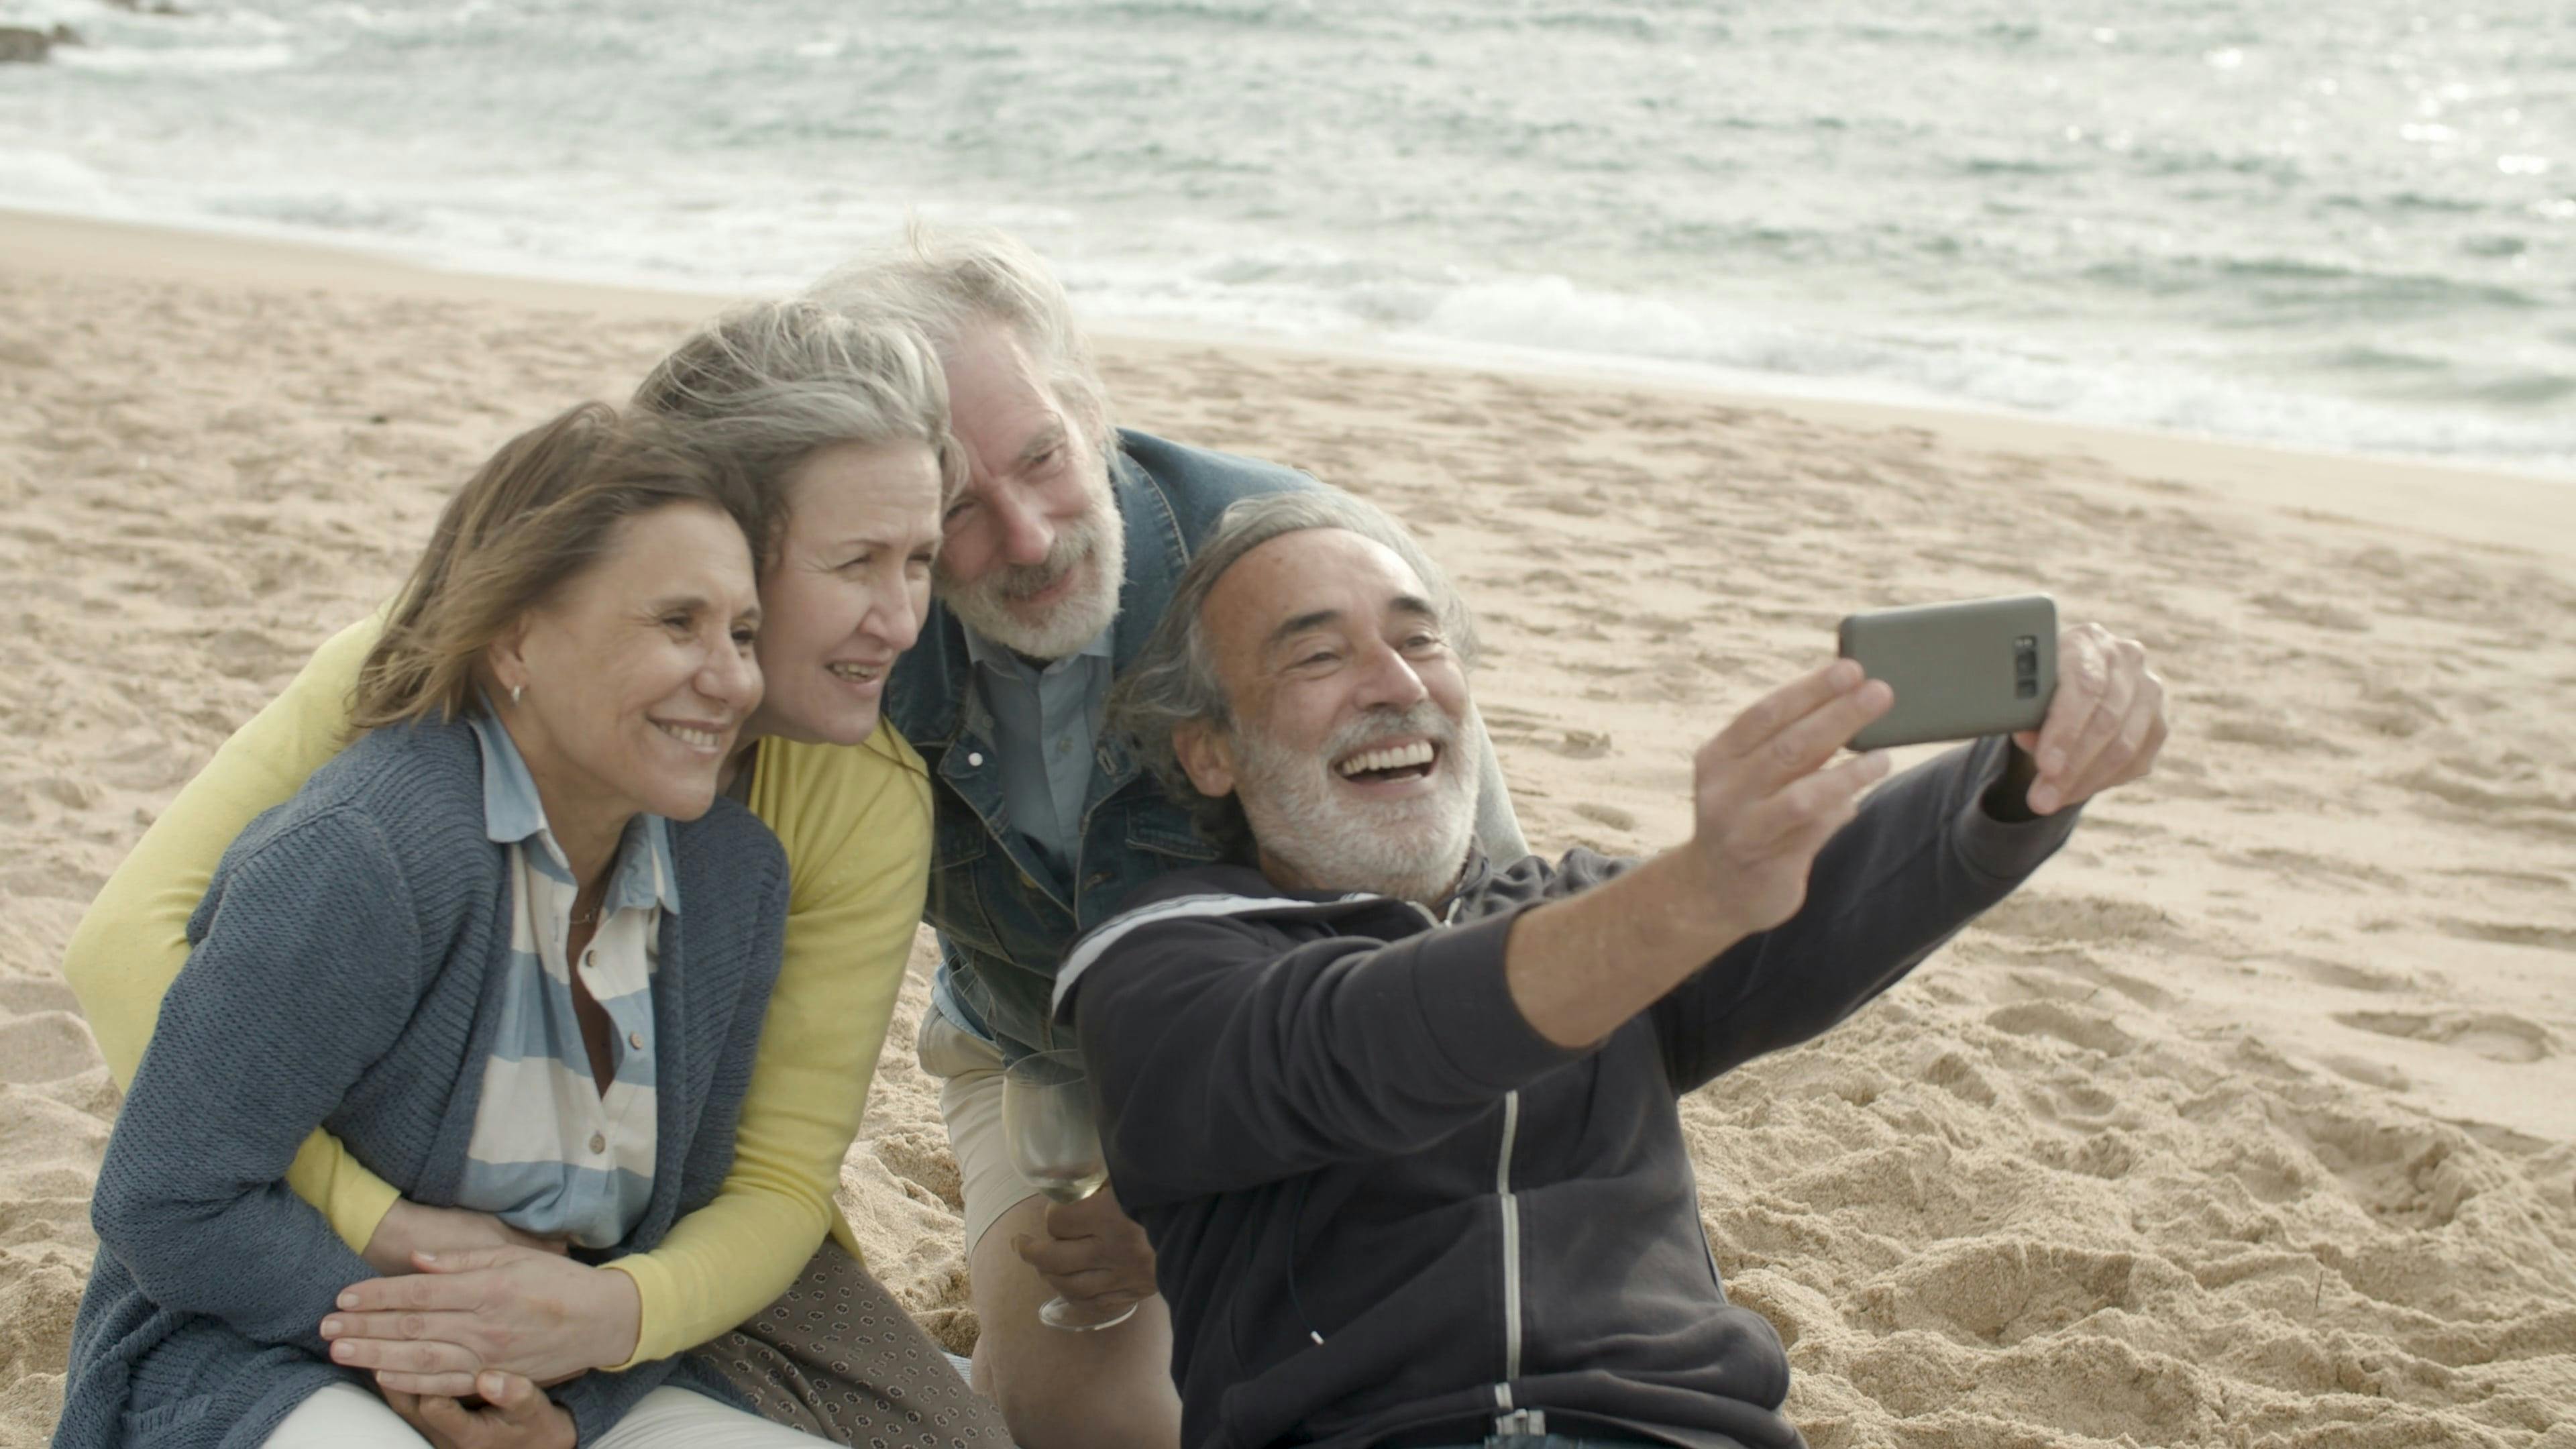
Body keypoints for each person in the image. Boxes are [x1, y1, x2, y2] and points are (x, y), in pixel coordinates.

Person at [57, 307, 1013, 1445]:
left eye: (917, 562)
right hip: (326, 1223)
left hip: (647, 1241)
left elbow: (768, 1177)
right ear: (717, 531)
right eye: (854, 562)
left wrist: (595, 1328)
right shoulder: (411, 722)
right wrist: (390, 1231)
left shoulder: (787, 847)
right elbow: (126, 961)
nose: (901, 620)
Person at [1052, 490, 2170, 1449]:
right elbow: (1362, 1047)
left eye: (1421, 639)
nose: (1395, 682)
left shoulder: (1587, 912)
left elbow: (1824, 907)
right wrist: (1691, 892)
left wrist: (2029, 775)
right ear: (1210, 749)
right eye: (1317, 654)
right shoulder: (1160, 961)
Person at [799, 227, 1534, 1449]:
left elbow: (1492, 951)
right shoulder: (854, 633)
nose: (1029, 537)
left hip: (1332, 1075)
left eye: (1042, 457)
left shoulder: (1302, 571)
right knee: (1097, 1424)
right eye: (954, 507)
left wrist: (1209, 1192)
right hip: (1051, 1081)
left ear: (1092, 409)